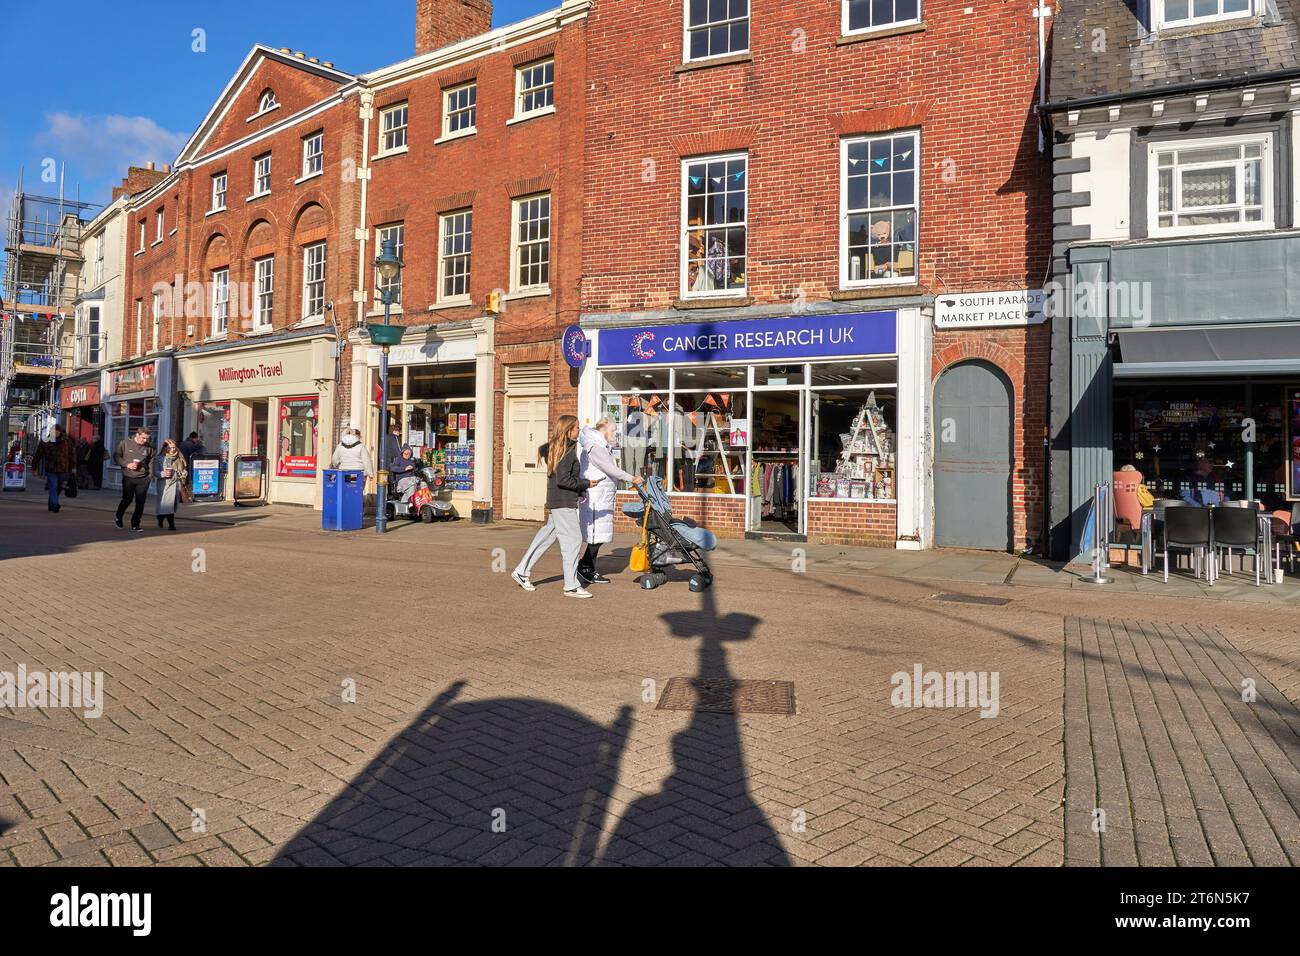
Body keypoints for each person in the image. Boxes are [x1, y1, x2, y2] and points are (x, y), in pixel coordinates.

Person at [511, 415, 592, 598]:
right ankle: (571, 586)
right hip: (563, 503)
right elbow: (564, 480)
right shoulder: (566, 451)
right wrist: (586, 484)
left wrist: (579, 489)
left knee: (546, 537)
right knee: (573, 540)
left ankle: (522, 571)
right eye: (577, 427)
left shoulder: (557, 448)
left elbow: (559, 479)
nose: (579, 430)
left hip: (557, 501)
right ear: (568, 430)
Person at [577, 418, 644, 585]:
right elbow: (610, 469)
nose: (614, 434)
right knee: (595, 537)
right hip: (596, 498)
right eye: (613, 431)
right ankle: (585, 569)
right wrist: (632, 478)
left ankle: (587, 568)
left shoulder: (600, 446)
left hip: (602, 496)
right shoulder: (595, 447)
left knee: (598, 537)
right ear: (603, 430)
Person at [114, 426, 155, 531]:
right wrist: (126, 464)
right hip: (129, 477)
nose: (145, 440)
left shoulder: (149, 447)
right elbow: (117, 456)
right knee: (127, 499)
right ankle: (119, 516)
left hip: (143, 478)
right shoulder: (125, 443)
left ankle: (135, 524)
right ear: (137, 435)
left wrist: (150, 476)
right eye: (143, 438)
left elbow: (151, 462)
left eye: (147, 438)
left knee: (140, 502)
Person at [36, 425, 77, 512]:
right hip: (51, 468)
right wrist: (34, 465)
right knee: (53, 486)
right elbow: (38, 454)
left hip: (63, 468)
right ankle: (55, 504)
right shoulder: (46, 441)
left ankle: (51, 503)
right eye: (53, 431)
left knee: (59, 487)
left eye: (57, 431)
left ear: (60, 432)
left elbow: (71, 455)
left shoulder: (66, 441)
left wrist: (73, 467)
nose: (55, 433)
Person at [154, 438, 188, 530]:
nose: (172, 449)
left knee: (172, 506)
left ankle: (161, 519)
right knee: (166, 505)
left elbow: (183, 469)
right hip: (165, 484)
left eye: (174, 447)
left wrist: (184, 473)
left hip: (176, 484)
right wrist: (163, 474)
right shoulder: (159, 458)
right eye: (170, 448)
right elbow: (155, 472)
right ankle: (171, 524)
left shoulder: (179, 457)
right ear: (165, 448)